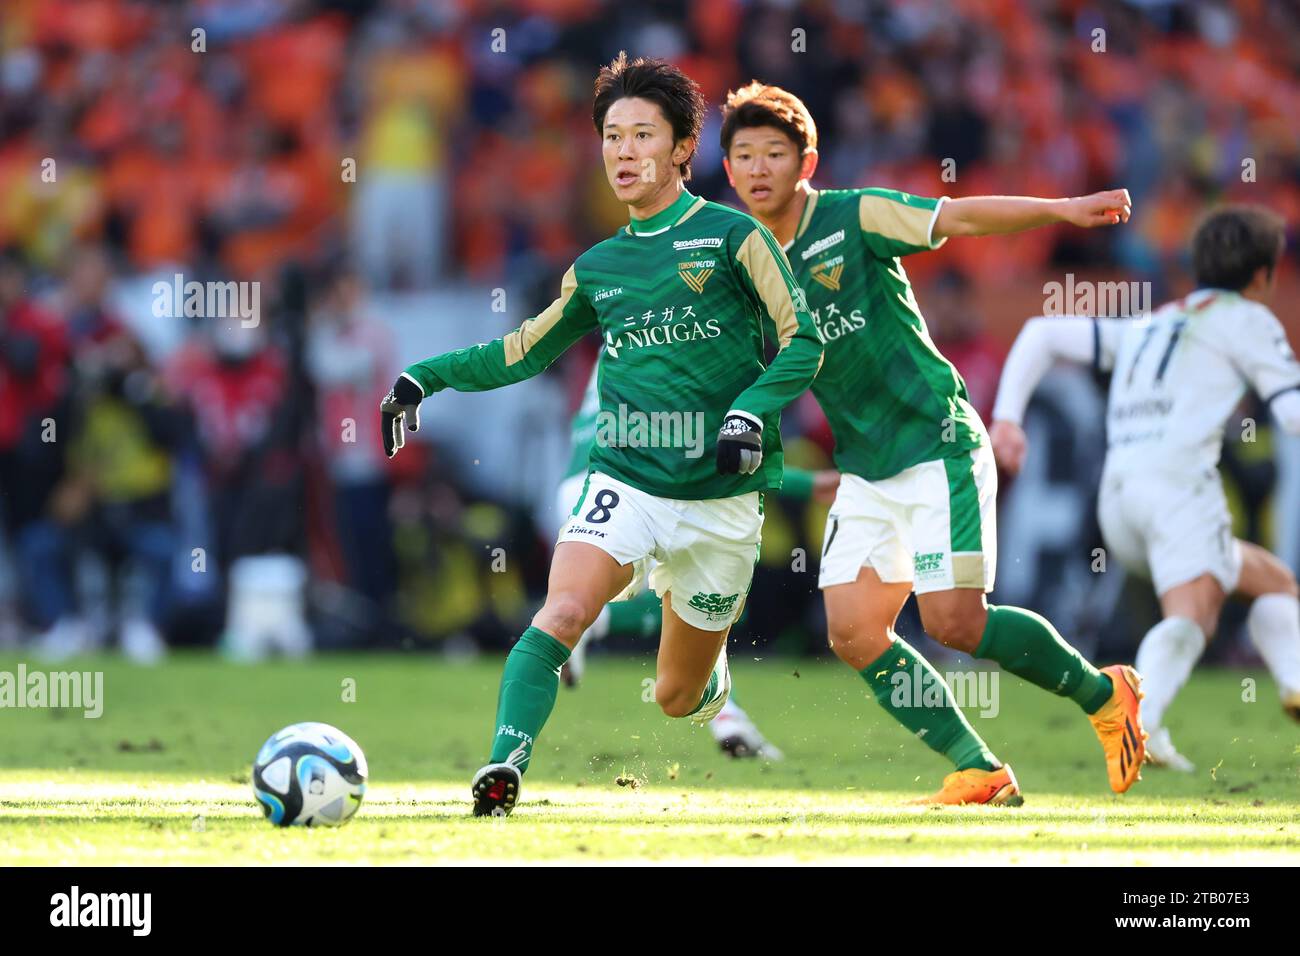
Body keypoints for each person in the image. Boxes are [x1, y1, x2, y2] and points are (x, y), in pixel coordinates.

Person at [381, 56, 822, 816]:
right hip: (625, 480)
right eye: (612, 136)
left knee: (678, 696)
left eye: (641, 135)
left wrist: (750, 410)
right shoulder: (598, 268)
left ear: (683, 147)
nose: (622, 152)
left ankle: (710, 682)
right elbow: (519, 350)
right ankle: (504, 767)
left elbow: (803, 341)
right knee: (560, 613)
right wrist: (425, 375)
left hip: (720, 503)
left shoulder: (734, 238)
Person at [721, 80, 1144, 802]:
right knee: (854, 633)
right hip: (864, 468)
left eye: (774, 153)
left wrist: (1060, 210)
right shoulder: (743, 262)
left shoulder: (853, 217)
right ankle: (978, 768)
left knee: (955, 622)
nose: (759, 169)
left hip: (935, 443)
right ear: (726, 168)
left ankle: (1103, 692)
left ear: (807, 161)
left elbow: (961, 216)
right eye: (743, 155)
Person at [990, 205, 1300, 770]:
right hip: (1179, 490)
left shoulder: (1151, 322)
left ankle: (1294, 682)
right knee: (1196, 612)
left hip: (1119, 498)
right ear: (1263, 274)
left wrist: (1007, 416)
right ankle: (1142, 720)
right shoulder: (1250, 320)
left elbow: (1041, 332)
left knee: (1273, 582)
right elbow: (1292, 415)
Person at [555, 354, 838, 761]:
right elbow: (700, 443)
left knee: (691, 601)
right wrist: (803, 483)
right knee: (699, 595)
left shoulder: (622, 331)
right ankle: (596, 621)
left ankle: (728, 716)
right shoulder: (675, 341)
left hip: (580, 488)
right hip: (631, 490)